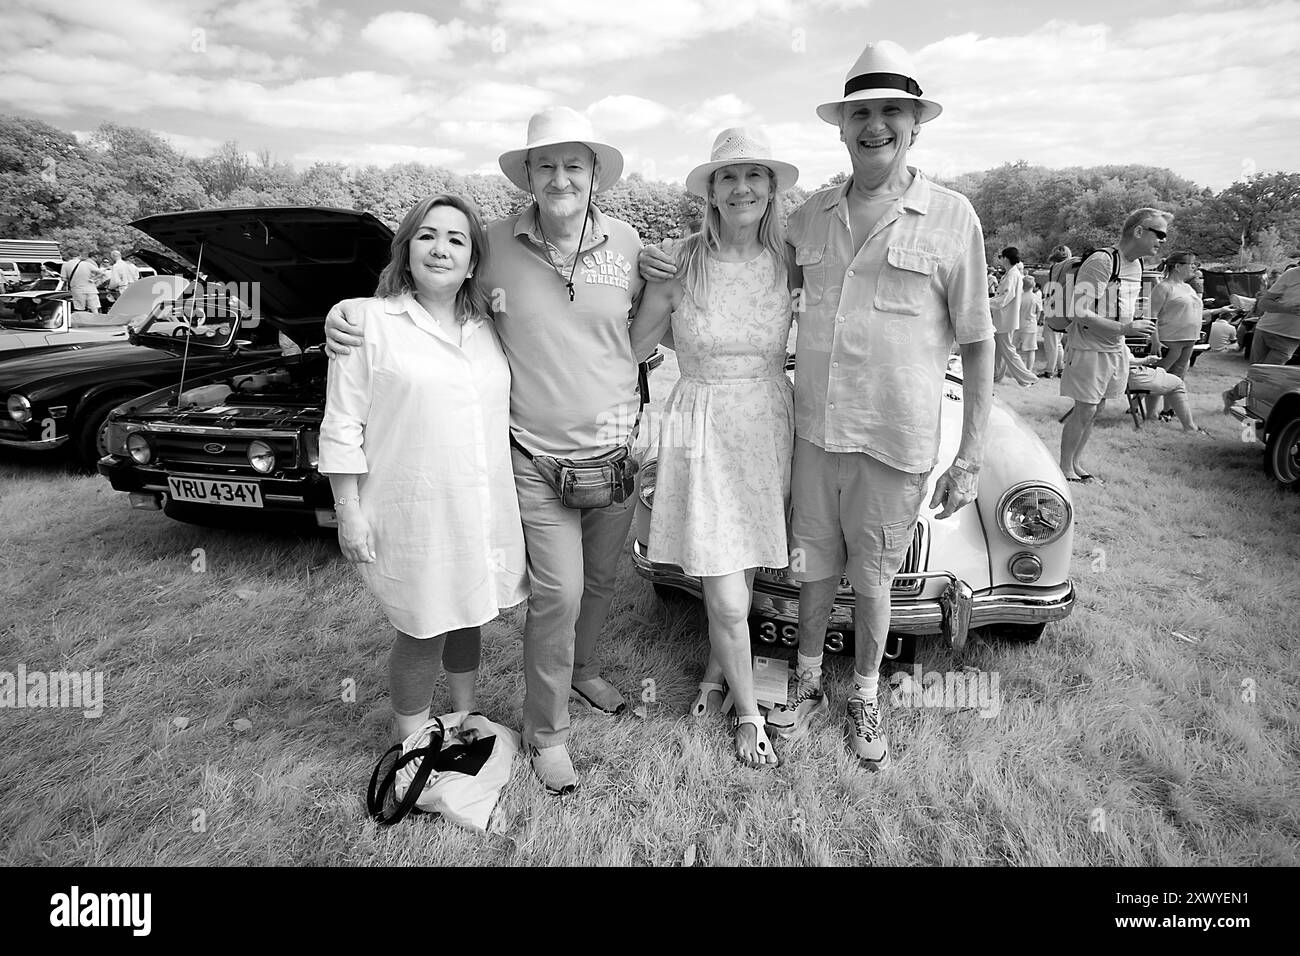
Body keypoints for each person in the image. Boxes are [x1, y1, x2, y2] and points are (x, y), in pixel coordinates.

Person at [641, 39, 995, 771]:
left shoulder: (952, 217)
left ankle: (862, 693)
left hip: (892, 437)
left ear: (914, 124)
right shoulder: (812, 219)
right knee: (808, 568)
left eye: (892, 112)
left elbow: (981, 341)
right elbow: (670, 302)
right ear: (842, 126)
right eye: (862, 112)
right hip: (805, 431)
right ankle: (799, 680)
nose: (876, 126)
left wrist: (973, 454)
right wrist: (655, 267)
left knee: (873, 577)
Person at [326, 108, 654, 795]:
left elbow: (649, 324)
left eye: (575, 164)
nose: (560, 176)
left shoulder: (628, 243)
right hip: (534, 460)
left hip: (616, 456)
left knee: (600, 583)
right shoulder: (494, 244)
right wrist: (346, 311)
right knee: (557, 594)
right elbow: (421, 295)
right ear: (528, 176)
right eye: (546, 165)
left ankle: (584, 670)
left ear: (595, 175)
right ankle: (548, 733)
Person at [318, 194, 528, 745]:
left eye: (457, 240)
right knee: (421, 623)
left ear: (473, 258)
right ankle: (410, 742)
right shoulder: (368, 322)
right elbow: (341, 426)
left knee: (469, 609)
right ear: (406, 247)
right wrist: (348, 511)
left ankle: (463, 718)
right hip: (409, 505)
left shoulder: (488, 328)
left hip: (478, 502)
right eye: (428, 236)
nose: (441, 249)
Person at [633, 127, 798, 768]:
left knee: (748, 564)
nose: (741, 187)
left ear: (771, 187)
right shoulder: (678, 261)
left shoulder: (792, 259)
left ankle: (711, 676)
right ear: (710, 190)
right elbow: (632, 343)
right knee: (724, 588)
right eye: (727, 177)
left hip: (768, 420)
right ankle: (751, 714)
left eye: (753, 175)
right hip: (700, 420)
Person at [1057, 208, 1163, 482]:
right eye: (1159, 233)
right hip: (1089, 348)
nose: (1162, 240)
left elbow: (1124, 306)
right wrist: (1124, 329)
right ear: (1139, 231)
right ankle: (1065, 469)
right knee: (1086, 408)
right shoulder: (1102, 262)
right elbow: (1080, 311)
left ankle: (1077, 464)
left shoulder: (1137, 265)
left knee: (1097, 408)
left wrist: (1142, 330)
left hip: (1115, 347)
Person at [1147, 252, 1231, 416]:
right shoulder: (1163, 287)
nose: (1194, 267)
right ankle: (1149, 413)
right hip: (1170, 339)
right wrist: (1155, 340)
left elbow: (1195, 312)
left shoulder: (1188, 287)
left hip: (1189, 339)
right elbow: (1151, 316)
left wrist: (1220, 310)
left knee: (1177, 378)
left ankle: (1167, 411)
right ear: (1178, 267)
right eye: (1191, 264)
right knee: (1158, 377)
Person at [1222, 261, 1300, 412]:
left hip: (1290, 339)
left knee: (1263, 379)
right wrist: (1287, 308)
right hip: (1266, 330)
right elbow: (1264, 303)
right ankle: (1235, 399)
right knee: (1256, 377)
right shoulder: (1292, 274)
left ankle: (1235, 399)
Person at [990, 247, 1037, 386]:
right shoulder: (1011, 273)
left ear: (1006, 258)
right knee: (1000, 350)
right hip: (1004, 319)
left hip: (1005, 320)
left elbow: (1004, 298)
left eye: (1001, 257)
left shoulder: (1012, 275)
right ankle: (996, 375)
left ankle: (1028, 378)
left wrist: (985, 302)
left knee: (1008, 352)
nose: (1000, 260)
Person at [1127, 354, 1205, 434]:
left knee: (1160, 373)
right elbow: (1122, 360)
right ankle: (1190, 427)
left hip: (1130, 374)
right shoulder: (1116, 343)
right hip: (1131, 375)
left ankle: (1152, 416)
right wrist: (1146, 360)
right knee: (1177, 384)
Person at [1038, 244, 1070, 377]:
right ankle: (1060, 368)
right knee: (1057, 343)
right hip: (1065, 309)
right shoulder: (1070, 267)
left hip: (1054, 307)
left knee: (1051, 343)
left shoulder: (1055, 268)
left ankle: (1049, 370)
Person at [61, 248, 101, 312]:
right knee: (94, 308)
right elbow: (102, 273)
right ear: (79, 255)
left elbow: (63, 278)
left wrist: (72, 280)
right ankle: (97, 321)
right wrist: (93, 279)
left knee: (79, 309)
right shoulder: (86, 264)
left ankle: (82, 321)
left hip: (77, 289)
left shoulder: (66, 265)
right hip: (90, 289)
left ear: (69, 256)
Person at [1018, 273, 1041, 372]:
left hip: (1018, 324)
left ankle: (1017, 368)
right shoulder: (1036, 297)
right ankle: (1028, 370)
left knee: (1013, 348)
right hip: (1030, 325)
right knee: (1031, 350)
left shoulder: (1019, 297)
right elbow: (1039, 312)